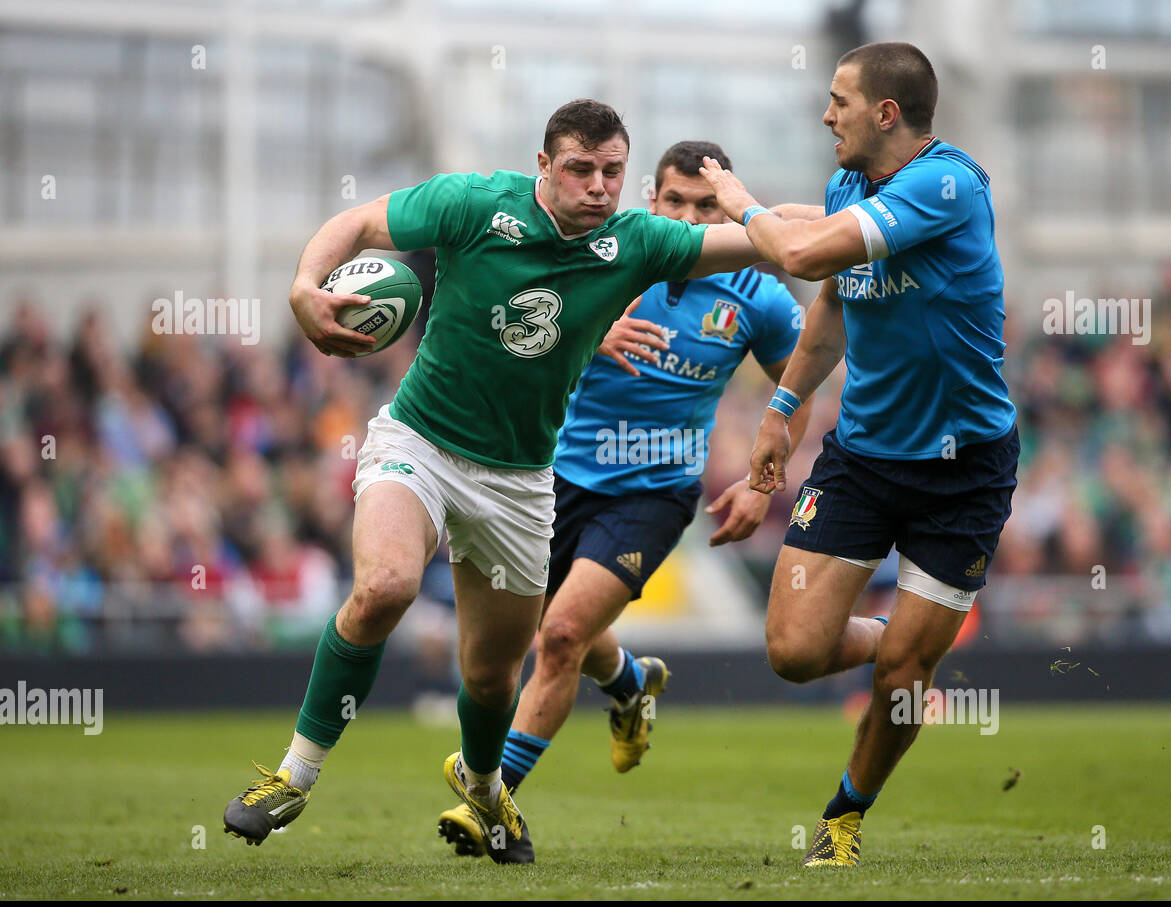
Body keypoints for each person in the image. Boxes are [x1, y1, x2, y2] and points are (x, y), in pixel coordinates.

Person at [222, 99, 766, 865]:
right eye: (580, 169)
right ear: (543, 165)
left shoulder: (638, 241)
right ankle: (293, 777)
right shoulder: (473, 203)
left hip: (520, 482)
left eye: (612, 171)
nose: (598, 186)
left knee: (488, 674)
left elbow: (775, 242)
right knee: (384, 587)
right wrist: (305, 284)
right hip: (421, 442)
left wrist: (873, 220)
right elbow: (360, 222)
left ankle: (485, 789)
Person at [435, 141, 817, 858]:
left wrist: (761, 482)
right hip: (552, 480)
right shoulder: (602, 261)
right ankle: (632, 683)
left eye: (708, 206)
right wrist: (583, 330)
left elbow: (799, 387)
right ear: (651, 202)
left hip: (654, 493)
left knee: (559, 636)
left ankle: (491, 803)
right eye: (675, 202)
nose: (689, 219)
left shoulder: (760, 297)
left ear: (731, 210)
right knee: (543, 626)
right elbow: (508, 330)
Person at [700, 42, 1019, 866]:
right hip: (864, 457)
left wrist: (737, 200)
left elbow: (801, 253)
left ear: (886, 113)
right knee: (794, 651)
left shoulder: (948, 185)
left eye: (838, 101)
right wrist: (780, 411)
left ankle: (845, 813)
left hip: (964, 469)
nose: (825, 114)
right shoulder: (850, 186)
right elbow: (831, 307)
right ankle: (905, 639)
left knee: (904, 675)